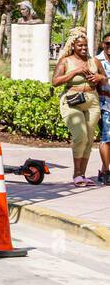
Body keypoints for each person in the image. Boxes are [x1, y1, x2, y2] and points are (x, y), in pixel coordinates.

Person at [53, 29, 104, 187]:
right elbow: (55, 81)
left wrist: (98, 77)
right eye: (80, 45)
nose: (83, 48)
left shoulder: (94, 61)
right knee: (80, 135)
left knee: (89, 139)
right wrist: (75, 71)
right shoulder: (65, 61)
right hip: (72, 100)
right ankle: (76, 174)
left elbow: (104, 77)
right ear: (73, 46)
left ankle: (83, 174)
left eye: (85, 45)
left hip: (92, 100)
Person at [98, 33, 110, 185]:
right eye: (108, 43)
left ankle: (102, 170)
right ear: (103, 44)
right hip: (104, 104)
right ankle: (107, 172)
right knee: (107, 138)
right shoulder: (96, 61)